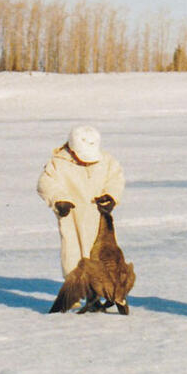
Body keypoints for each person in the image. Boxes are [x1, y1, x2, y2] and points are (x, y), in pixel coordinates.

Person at [37, 124, 125, 308]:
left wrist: (111, 196)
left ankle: (101, 291)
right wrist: (59, 200)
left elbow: (116, 178)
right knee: (73, 253)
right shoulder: (58, 163)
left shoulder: (106, 161)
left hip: (98, 216)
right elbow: (46, 183)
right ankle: (75, 292)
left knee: (101, 255)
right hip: (72, 216)